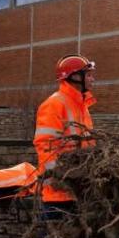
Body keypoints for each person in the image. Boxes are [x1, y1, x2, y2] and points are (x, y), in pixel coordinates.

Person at [33, 54, 96, 222]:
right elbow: (45, 147)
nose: (93, 79)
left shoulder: (82, 106)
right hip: (59, 196)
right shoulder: (54, 104)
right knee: (53, 237)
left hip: (79, 191)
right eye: (89, 75)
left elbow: (89, 147)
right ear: (75, 77)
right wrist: (61, 178)